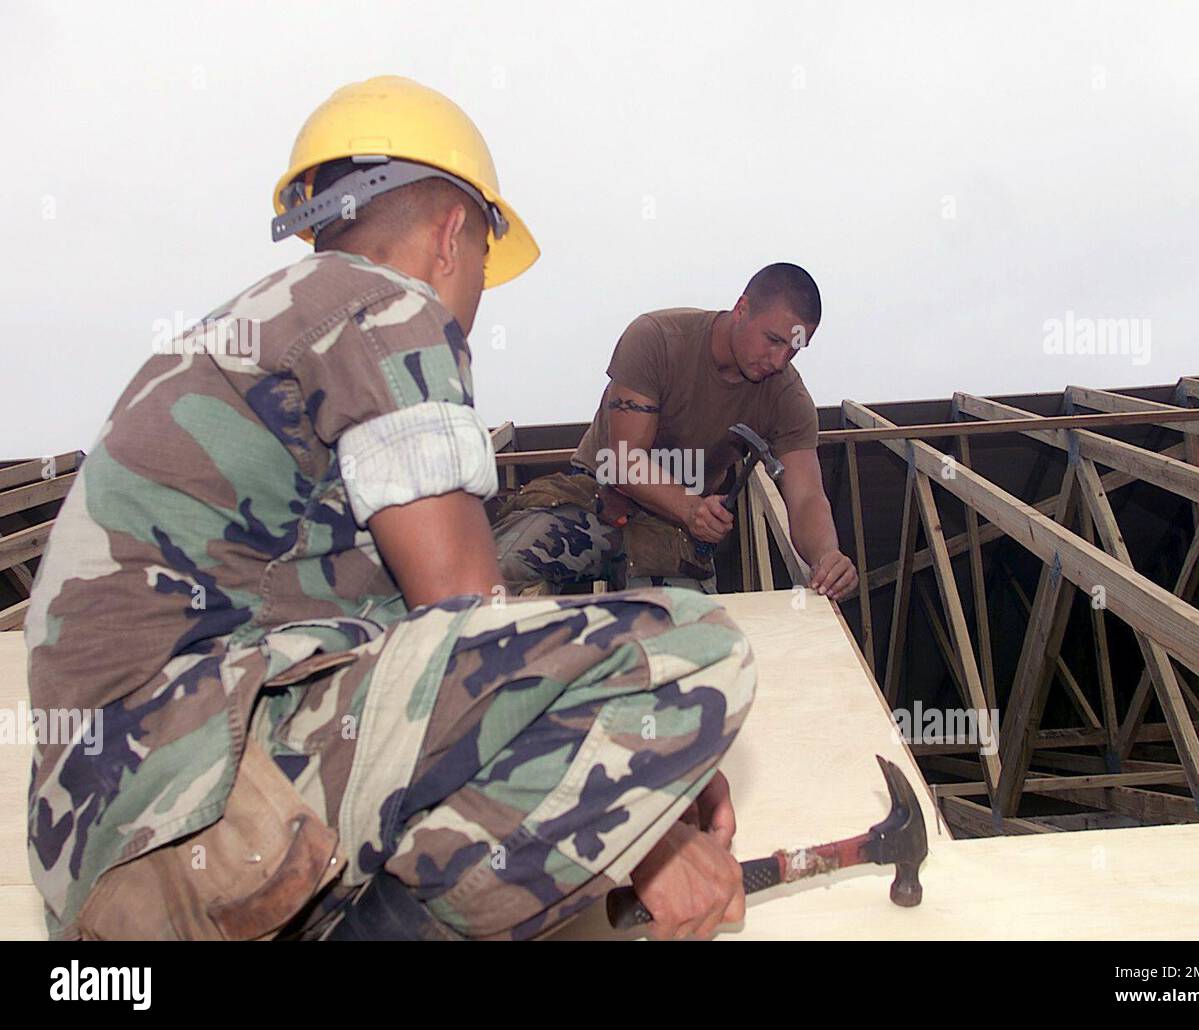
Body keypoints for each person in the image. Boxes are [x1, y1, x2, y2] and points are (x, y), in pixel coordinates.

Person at [25, 75, 754, 942]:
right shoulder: (383, 305)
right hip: (197, 811)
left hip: (117, 840)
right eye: (484, 264)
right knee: (688, 651)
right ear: (452, 234)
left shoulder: (256, 330)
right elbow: (466, 616)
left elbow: (403, 644)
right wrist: (642, 824)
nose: (475, 298)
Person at [493, 268, 859, 600]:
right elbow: (623, 462)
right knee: (495, 573)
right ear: (742, 309)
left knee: (696, 635)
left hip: (673, 533)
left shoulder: (788, 398)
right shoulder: (656, 338)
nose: (779, 361)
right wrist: (692, 508)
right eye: (773, 340)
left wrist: (827, 556)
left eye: (794, 349)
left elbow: (806, 496)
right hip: (595, 499)